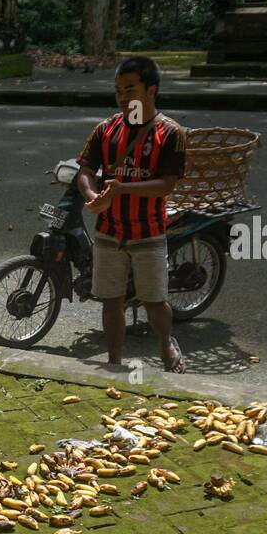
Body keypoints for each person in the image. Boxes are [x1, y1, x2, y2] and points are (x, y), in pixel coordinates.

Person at [75, 56, 188, 373]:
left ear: (151, 90)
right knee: (112, 301)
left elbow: (166, 185)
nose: (123, 97)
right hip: (109, 230)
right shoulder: (105, 129)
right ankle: (114, 363)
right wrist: (91, 195)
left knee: (154, 301)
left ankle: (165, 346)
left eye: (130, 89)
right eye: (118, 90)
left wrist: (123, 189)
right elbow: (85, 170)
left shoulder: (171, 133)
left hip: (149, 230)